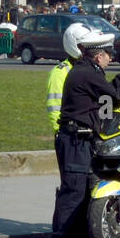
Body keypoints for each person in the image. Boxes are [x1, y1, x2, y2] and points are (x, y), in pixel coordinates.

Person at [51, 29, 120, 238]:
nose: (111, 58)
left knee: (84, 191)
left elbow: (107, 97)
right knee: (74, 191)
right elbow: (117, 96)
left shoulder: (89, 71)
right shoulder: (86, 73)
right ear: (97, 56)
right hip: (75, 139)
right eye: (109, 53)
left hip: (82, 139)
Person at [47, 23, 93, 170]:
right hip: (70, 136)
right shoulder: (60, 72)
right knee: (72, 183)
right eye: (83, 46)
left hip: (88, 134)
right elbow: (55, 106)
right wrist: (60, 131)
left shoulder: (90, 68)